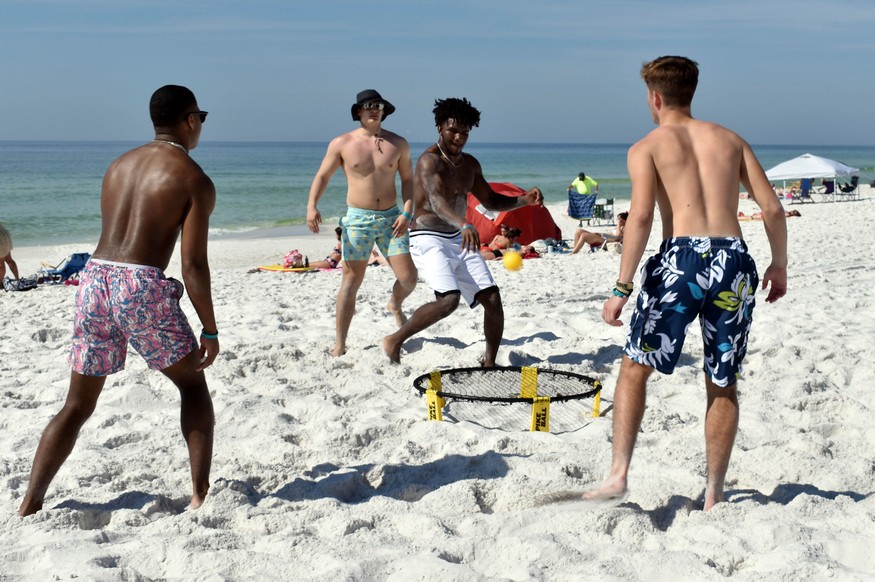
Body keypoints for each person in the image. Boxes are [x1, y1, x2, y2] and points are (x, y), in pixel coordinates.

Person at [583, 56, 787, 511]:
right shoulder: (731, 140)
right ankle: (714, 493)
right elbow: (772, 209)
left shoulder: (647, 146)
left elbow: (640, 217)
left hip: (681, 260)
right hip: (733, 260)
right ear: (690, 93)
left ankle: (618, 475)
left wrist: (622, 286)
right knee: (722, 379)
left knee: (636, 365)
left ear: (654, 97)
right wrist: (779, 265)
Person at [18, 85, 219, 516]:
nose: (200, 124)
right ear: (189, 120)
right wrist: (210, 329)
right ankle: (199, 494)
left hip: (94, 281)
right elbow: (193, 267)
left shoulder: (119, 166)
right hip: (140, 285)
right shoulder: (193, 178)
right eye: (200, 116)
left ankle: (31, 501)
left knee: (77, 404)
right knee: (192, 384)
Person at [382, 98, 543, 366]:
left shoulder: (470, 165)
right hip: (427, 237)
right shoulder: (429, 162)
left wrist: (524, 200)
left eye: (465, 132)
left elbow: (491, 200)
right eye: (453, 131)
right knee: (448, 300)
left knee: (492, 299)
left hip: (457, 236)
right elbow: (436, 201)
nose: (459, 137)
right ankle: (394, 340)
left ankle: (489, 362)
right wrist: (465, 223)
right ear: (439, 128)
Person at [307, 89, 417, 356]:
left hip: (393, 218)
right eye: (368, 105)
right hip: (357, 220)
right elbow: (323, 176)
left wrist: (407, 212)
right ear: (358, 111)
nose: (374, 109)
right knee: (351, 281)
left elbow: (409, 181)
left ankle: (394, 304)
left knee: (409, 278)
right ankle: (340, 343)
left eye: (378, 105)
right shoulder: (341, 143)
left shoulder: (398, 143)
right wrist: (312, 205)